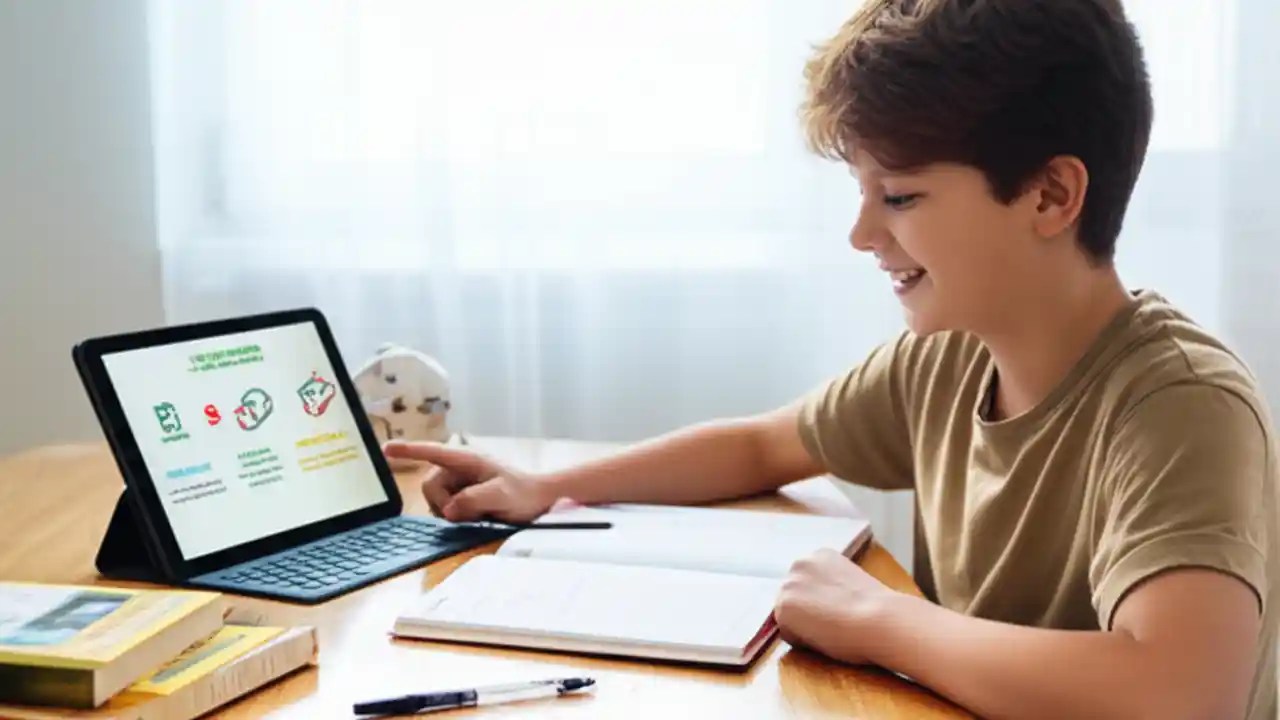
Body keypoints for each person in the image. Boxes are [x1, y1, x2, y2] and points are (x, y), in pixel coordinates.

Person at [385, 1, 1278, 717]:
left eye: (899, 195)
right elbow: (763, 445)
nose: (862, 234)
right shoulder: (949, 358)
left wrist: (883, 621)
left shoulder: (1180, 406)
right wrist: (549, 488)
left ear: (1050, 194)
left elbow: (1177, 693)